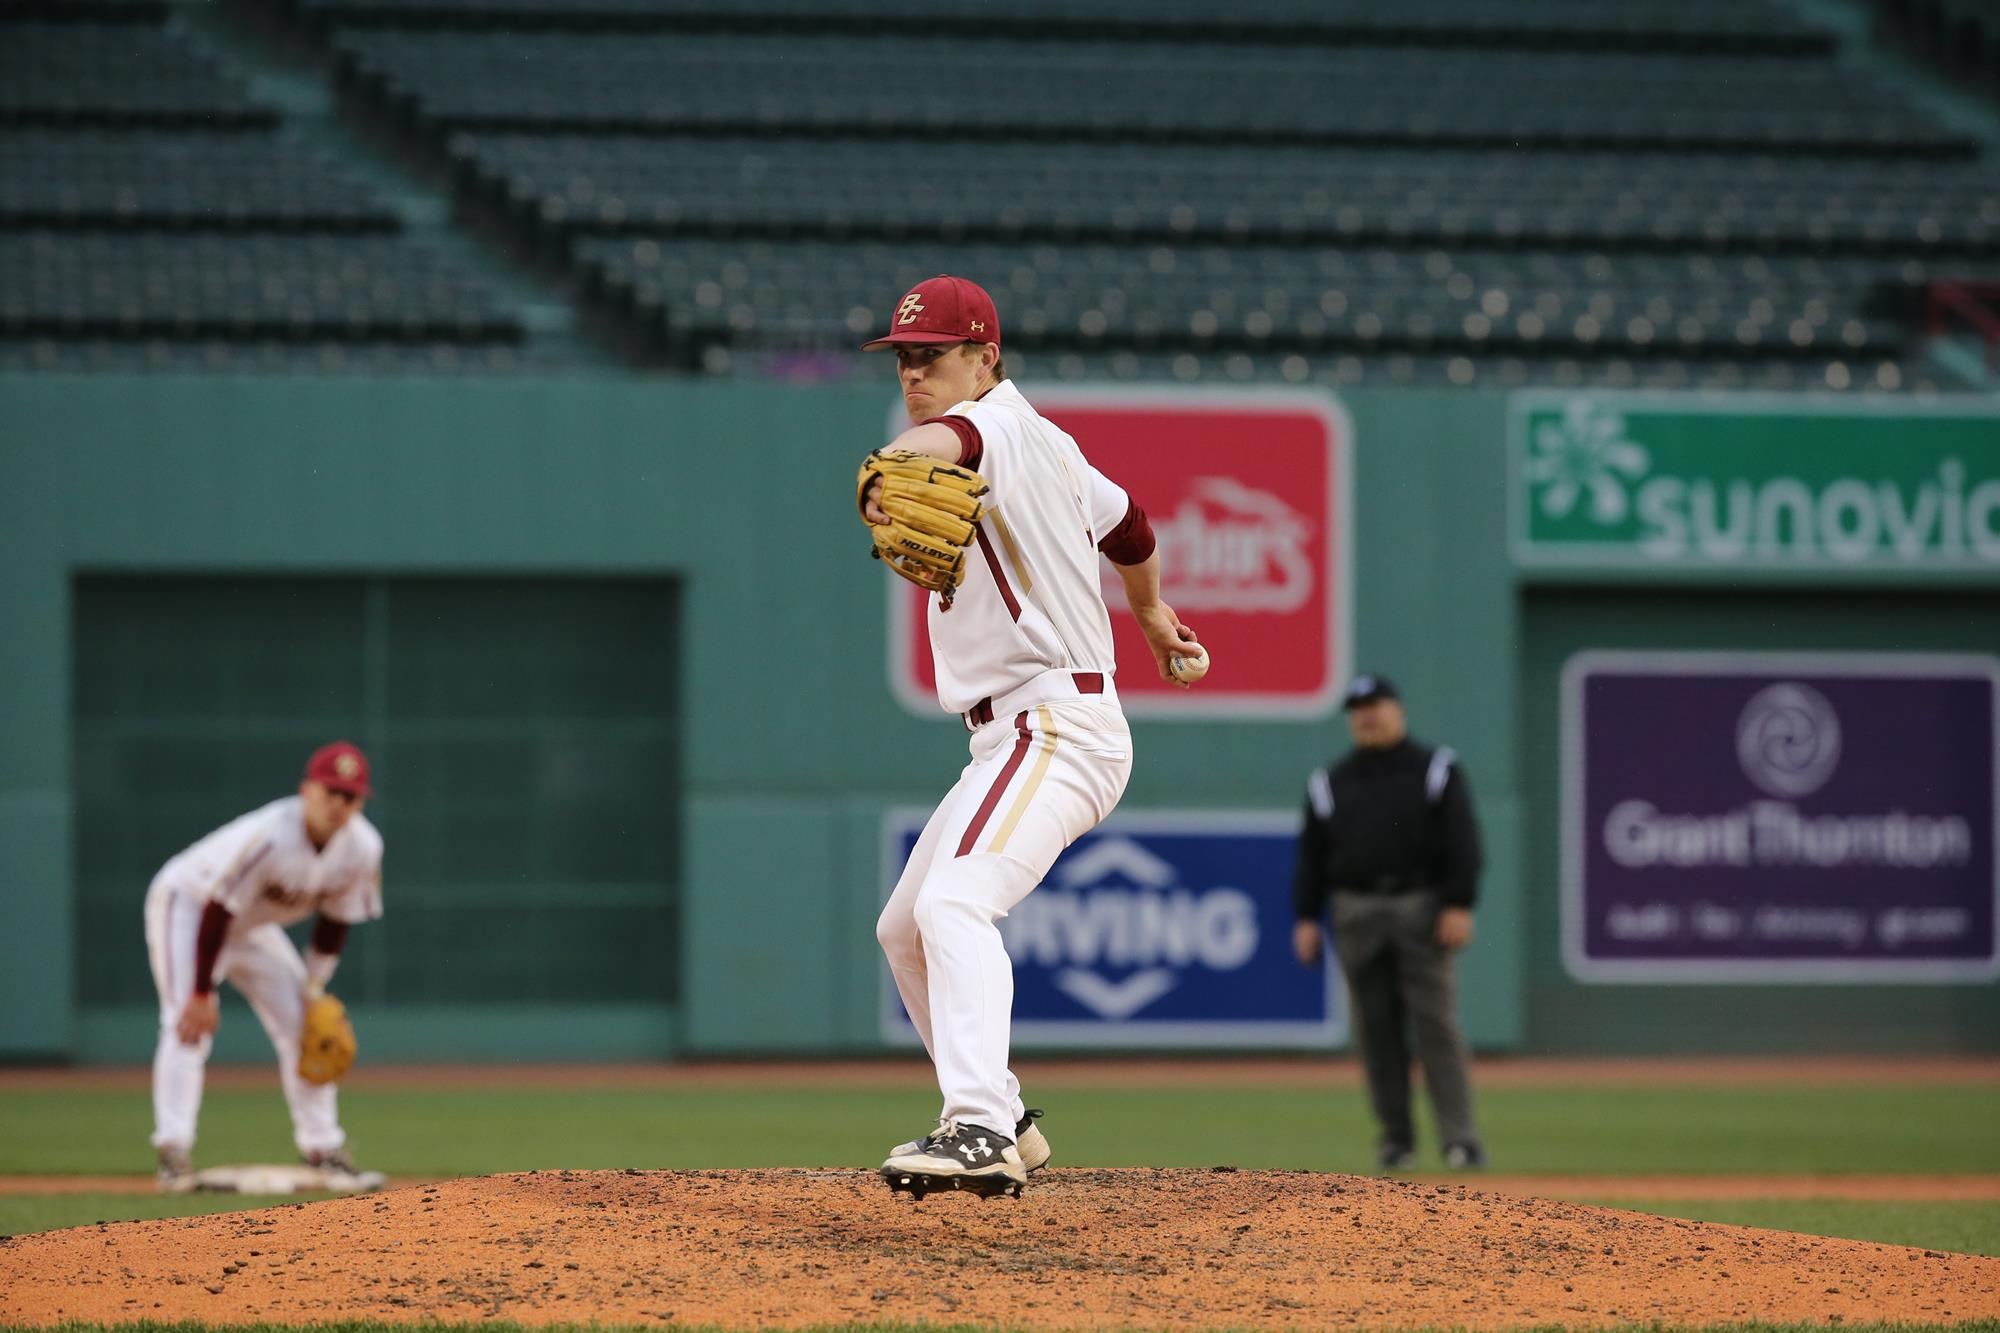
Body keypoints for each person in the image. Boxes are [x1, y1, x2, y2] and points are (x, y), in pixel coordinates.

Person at [862, 274, 1202, 1197]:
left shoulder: (997, 429)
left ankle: (976, 1128)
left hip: (1056, 724)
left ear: (987, 357)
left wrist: (890, 464)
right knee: (905, 927)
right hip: (1019, 732)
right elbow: (1129, 525)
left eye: (932, 354)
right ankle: (1004, 1111)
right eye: (903, 358)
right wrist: (1151, 609)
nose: (914, 372)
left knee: (955, 905)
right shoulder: (1054, 447)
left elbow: (944, 440)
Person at [145, 741, 385, 1193]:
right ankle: (173, 1153)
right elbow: (217, 908)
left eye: (349, 796)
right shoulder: (273, 835)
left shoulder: (363, 847)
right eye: (330, 791)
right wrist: (200, 992)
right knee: (188, 1024)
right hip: (191, 906)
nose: (339, 804)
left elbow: (337, 921)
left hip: (251, 927)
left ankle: (323, 1149)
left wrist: (314, 986)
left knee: (307, 1028)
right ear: (307, 791)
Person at [1291, 674, 1486, 1171]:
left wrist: (1458, 904)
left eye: (1376, 704)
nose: (1367, 714)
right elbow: (1311, 856)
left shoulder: (1435, 769)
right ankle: (1396, 1139)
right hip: (1356, 909)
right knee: (1376, 1031)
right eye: (1358, 708)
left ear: (1397, 710)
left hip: (1418, 906)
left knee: (1436, 1026)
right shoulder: (1330, 781)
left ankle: (1460, 1139)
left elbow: (1464, 842)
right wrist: (1306, 917)